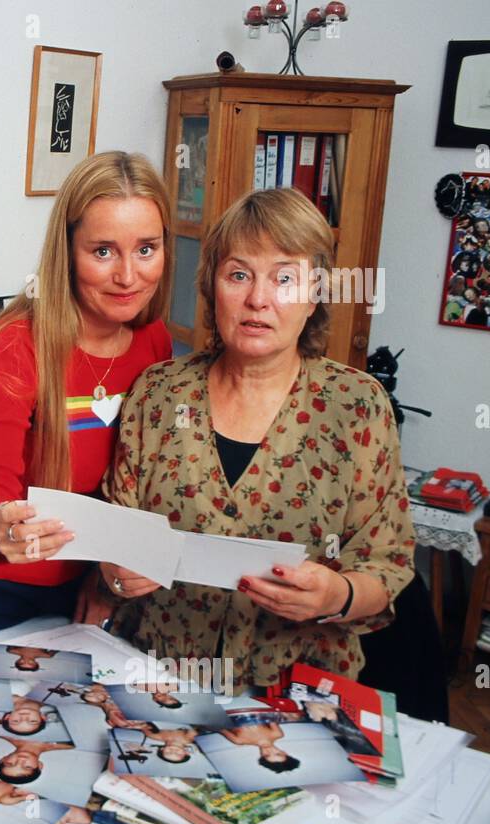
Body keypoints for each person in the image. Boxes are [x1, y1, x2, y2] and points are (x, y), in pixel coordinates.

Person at [96, 187, 416, 688]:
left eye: (284, 278)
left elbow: (388, 563)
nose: (258, 299)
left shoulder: (356, 405)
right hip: (158, 677)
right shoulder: (157, 394)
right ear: (212, 288)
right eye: (238, 275)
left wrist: (339, 595)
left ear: (315, 295)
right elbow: (116, 544)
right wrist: (116, 572)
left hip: (298, 685)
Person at [0, 151, 176, 658]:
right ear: (67, 251)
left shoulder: (155, 342)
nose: (128, 275)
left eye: (146, 249)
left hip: (80, 582)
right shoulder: (16, 344)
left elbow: (136, 478)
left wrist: (106, 578)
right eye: (102, 251)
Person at [220, 721, 299, 773]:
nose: (269, 751)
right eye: (277, 754)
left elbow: (218, 726)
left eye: (266, 755)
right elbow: (269, 715)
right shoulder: (277, 734)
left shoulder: (239, 741)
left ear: (261, 756)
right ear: (284, 752)